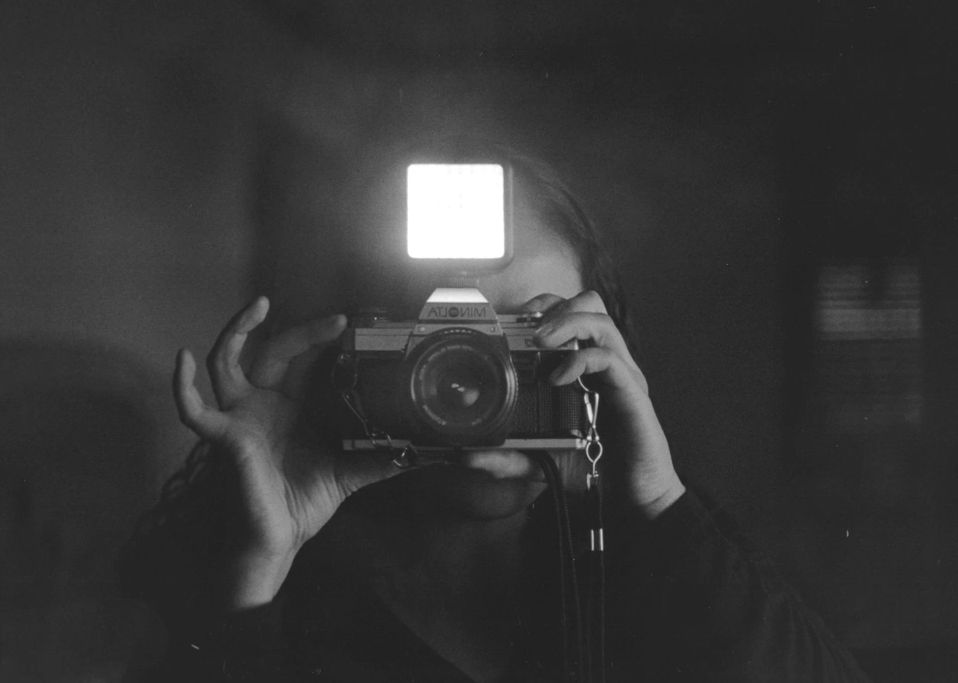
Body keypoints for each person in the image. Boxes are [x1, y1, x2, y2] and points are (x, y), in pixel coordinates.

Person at [120, 145, 870, 682]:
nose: (481, 379)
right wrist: (254, 572)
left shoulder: (653, 545)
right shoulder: (281, 567)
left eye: (528, 331)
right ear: (364, 348)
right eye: (448, 338)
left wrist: (658, 504)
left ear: (601, 344)